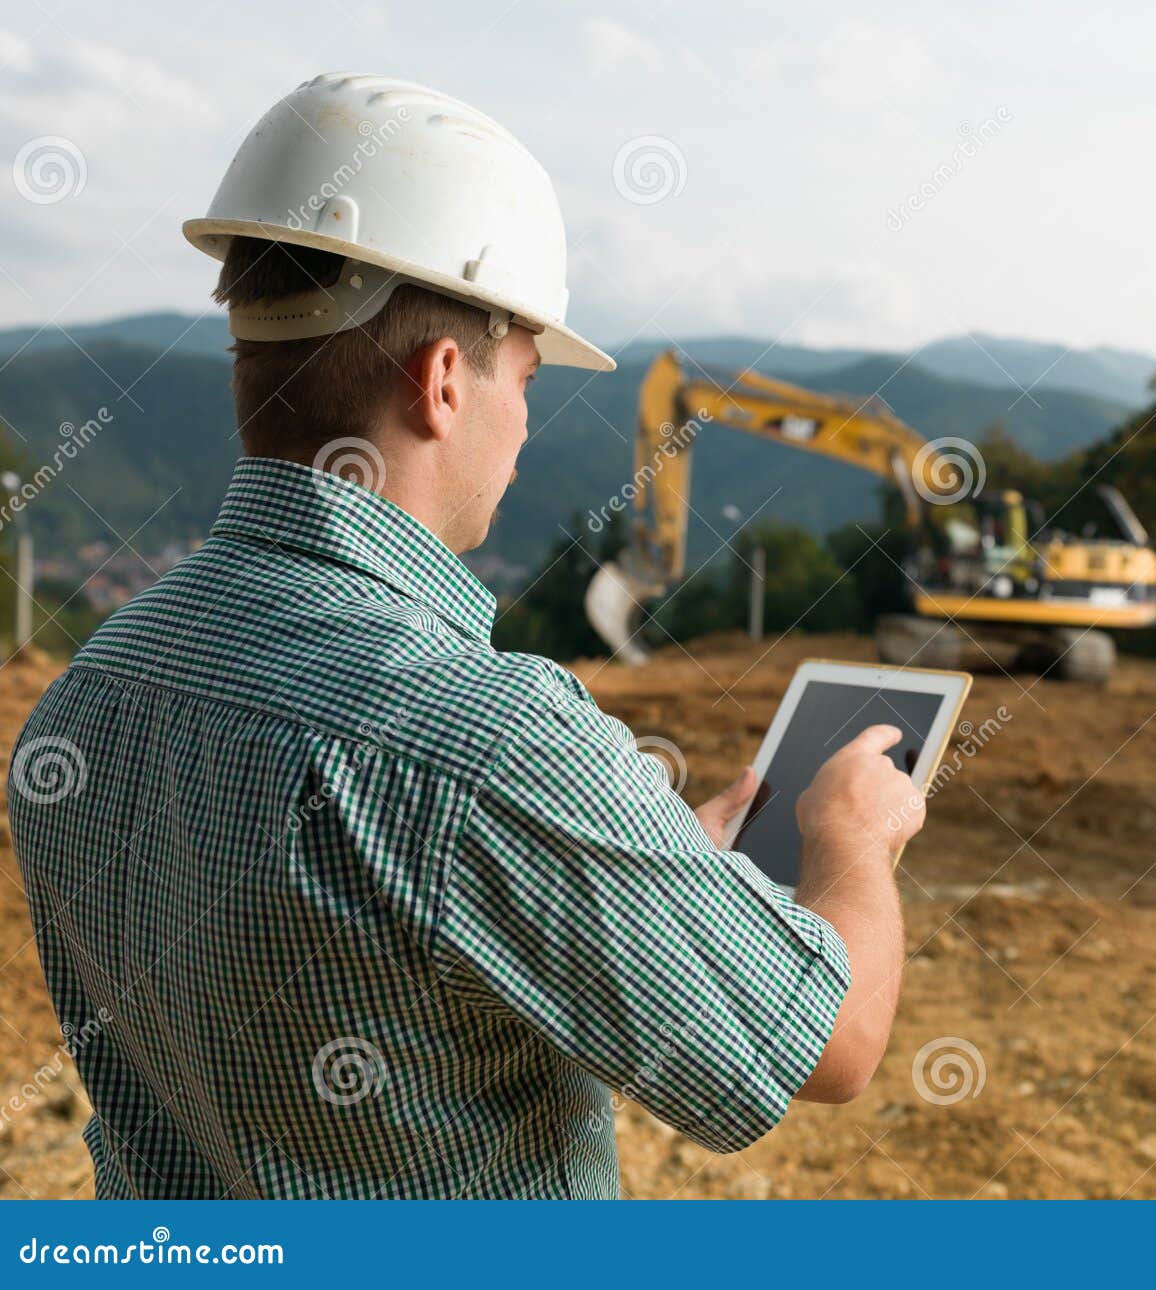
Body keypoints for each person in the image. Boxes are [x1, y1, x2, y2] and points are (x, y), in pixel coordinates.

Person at [7, 74, 919, 1200]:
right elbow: (829, 1043)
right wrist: (850, 842)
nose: (529, 424)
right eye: (528, 379)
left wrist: (615, 861)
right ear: (444, 380)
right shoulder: (492, 741)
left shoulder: (92, 692)